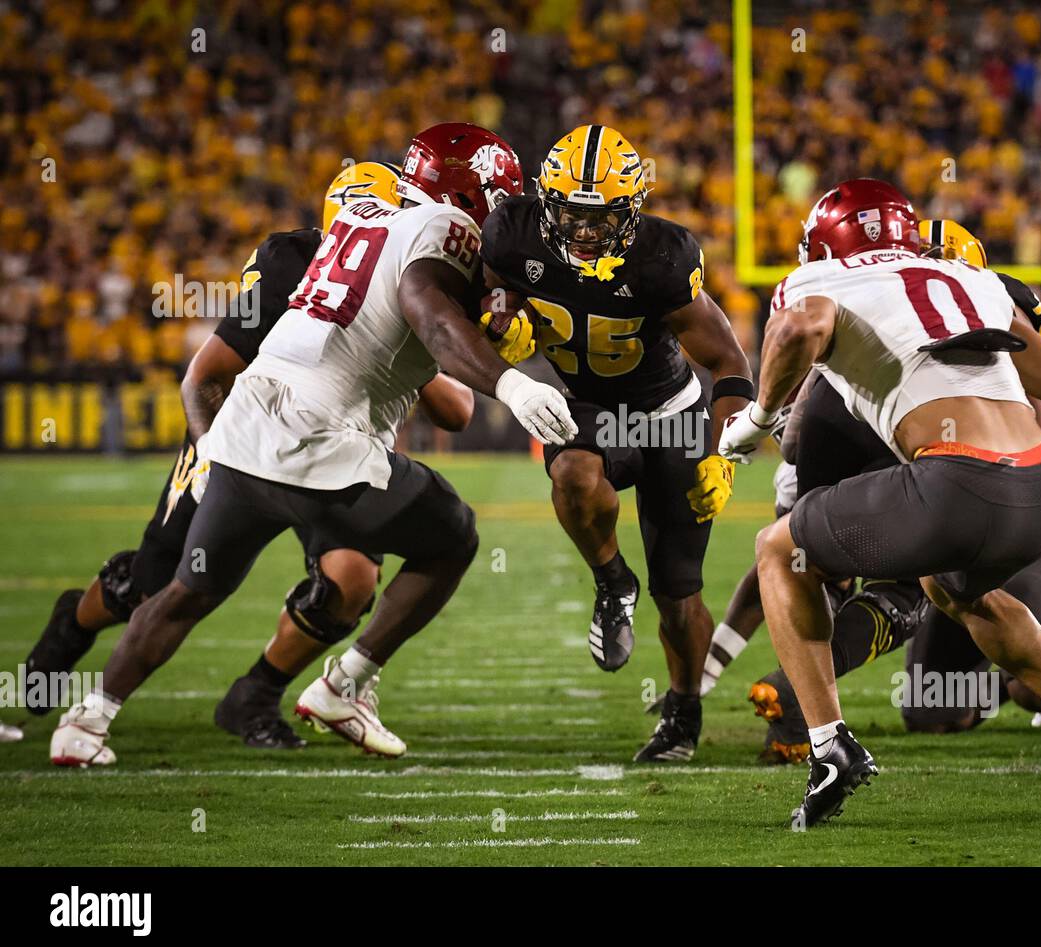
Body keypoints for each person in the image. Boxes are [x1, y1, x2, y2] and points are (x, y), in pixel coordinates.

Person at [48, 123, 577, 767]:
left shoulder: (367, 221)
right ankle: (344, 685)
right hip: (323, 438)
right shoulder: (445, 228)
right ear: (473, 196)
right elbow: (431, 316)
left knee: (189, 590)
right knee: (453, 534)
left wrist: (496, 313)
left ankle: (86, 723)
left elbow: (429, 322)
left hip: (249, 426)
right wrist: (514, 386)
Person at [720, 180, 1041, 827]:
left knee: (778, 550)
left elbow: (802, 327)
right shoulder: (973, 281)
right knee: (955, 591)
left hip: (953, 484)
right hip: (1039, 490)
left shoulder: (823, 281)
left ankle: (831, 748)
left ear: (826, 246)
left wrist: (756, 418)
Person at [478, 125, 752, 762]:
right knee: (571, 471)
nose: (583, 233)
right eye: (571, 215)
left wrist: (727, 451)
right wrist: (505, 319)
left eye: (601, 219)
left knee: (680, 597)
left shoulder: (663, 258)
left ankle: (683, 713)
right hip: (592, 409)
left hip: (670, 415)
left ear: (632, 211)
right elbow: (496, 297)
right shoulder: (510, 236)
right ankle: (610, 582)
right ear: (547, 205)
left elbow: (729, 361)